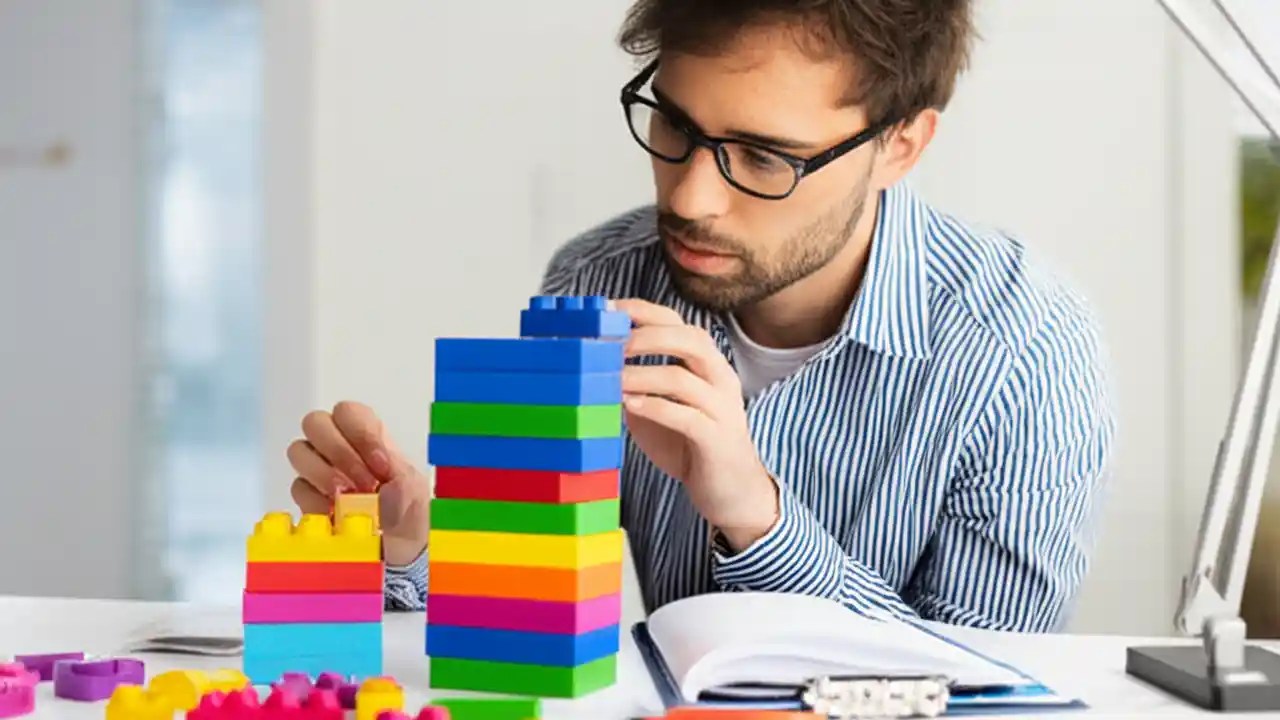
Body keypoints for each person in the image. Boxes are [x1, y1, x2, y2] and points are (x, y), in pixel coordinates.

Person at [286, 0, 1117, 631]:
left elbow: (987, 683)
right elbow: (518, 612)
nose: (690, 198)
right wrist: (412, 543)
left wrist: (756, 516)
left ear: (899, 145)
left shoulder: (1024, 351)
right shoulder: (598, 279)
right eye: (676, 125)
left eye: (764, 156)